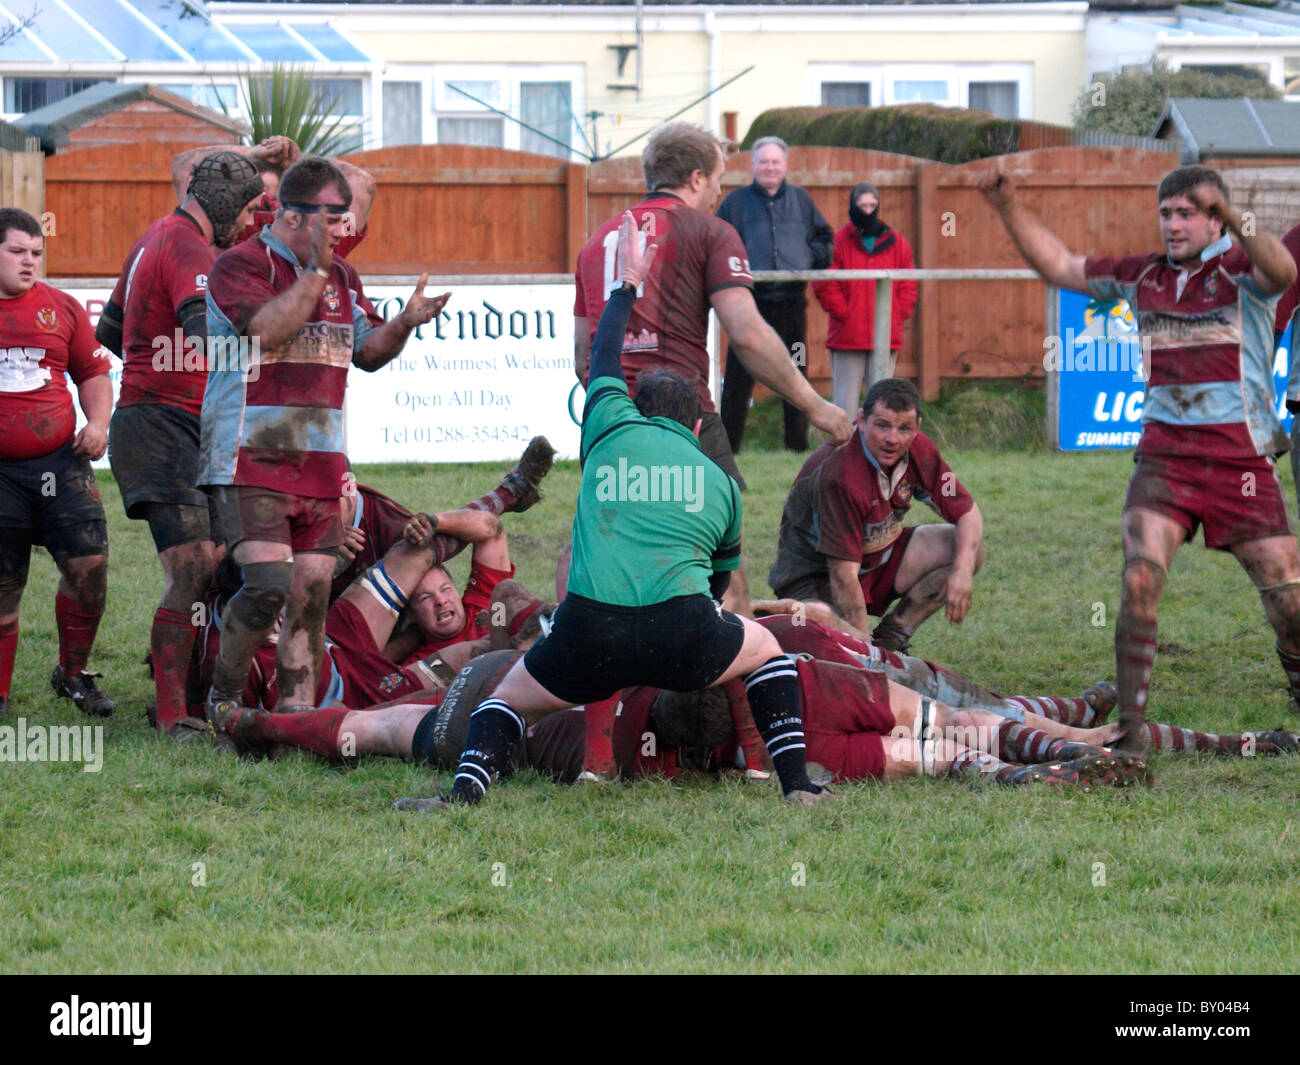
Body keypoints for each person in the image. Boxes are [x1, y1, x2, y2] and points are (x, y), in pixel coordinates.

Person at [436, 211, 834, 810]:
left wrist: (627, 283)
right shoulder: (720, 481)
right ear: (696, 428)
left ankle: (464, 796)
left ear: (631, 406)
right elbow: (718, 583)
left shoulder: (607, 426)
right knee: (769, 656)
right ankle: (797, 786)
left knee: (506, 701)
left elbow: (601, 353)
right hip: (684, 638)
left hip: (589, 635)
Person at [983, 163, 1300, 755]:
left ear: (1216, 220)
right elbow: (1059, 266)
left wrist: (1235, 215)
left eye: (1187, 214)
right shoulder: (1142, 275)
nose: (1173, 225)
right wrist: (1008, 207)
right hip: (1164, 459)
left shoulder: (1243, 271)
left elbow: (1284, 269)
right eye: (1166, 214)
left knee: (1289, 601)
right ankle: (1129, 735)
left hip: (1241, 461)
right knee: (1139, 578)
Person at [199, 155, 450, 721]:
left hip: (320, 463)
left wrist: (404, 323)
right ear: (294, 216)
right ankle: (223, 698)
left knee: (310, 595)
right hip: (249, 457)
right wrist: (314, 271)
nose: (345, 230)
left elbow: (368, 353)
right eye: (335, 219)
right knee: (267, 584)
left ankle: (297, 718)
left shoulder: (343, 277)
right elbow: (265, 332)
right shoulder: (240, 265)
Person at [573, 121, 852, 613]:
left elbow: (583, 358)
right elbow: (747, 334)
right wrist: (816, 406)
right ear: (697, 177)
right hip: (685, 417)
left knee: (623, 569)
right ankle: (732, 660)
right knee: (727, 582)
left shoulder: (597, 241)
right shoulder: (710, 231)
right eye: (720, 178)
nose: (722, 191)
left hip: (610, 422)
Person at [95, 152, 264, 737]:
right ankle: (173, 718)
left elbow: (110, 331)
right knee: (192, 566)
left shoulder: (154, 236)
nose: (250, 223)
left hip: (167, 419)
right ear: (224, 202)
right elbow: (209, 338)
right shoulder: (189, 247)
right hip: (160, 427)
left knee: (213, 564)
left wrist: (155, 365)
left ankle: (183, 695)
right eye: (248, 210)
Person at [768, 376, 985, 652]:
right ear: (861, 420)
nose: (892, 439)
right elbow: (843, 577)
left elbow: (967, 513)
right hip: (816, 577)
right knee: (821, 631)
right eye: (882, 425)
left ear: (917, 427)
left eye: (904, 428)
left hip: (875, 561)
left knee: (967, 548)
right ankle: (770, 622)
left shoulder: (920, 450)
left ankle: (892, 637)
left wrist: (962, 571)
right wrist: (865, 650)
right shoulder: (840, 476)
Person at [0, 208, 116, 718]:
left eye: (36, 253)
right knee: (3, 588)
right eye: (17, 252)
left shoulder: (61, 307)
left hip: (58, 464)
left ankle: (73, 674)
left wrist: (98, 424)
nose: (29, 261)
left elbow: (93, 373)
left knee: (89, 567)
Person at [715, 135, 834, 453]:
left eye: (775, 162)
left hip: (792, 305)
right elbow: (717, 242)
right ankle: (728, 449)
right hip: (749, 306)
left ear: (784, 165)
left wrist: (806, 259)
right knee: (738, 379)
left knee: (797, 371)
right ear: (753, 165)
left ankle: (797, 447)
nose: (770, 167)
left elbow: (824, 239)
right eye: (764, 162)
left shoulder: (801, 201)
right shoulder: (735, 203)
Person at [813, 181, 918, 415]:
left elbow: (908, 283)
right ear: (853, 206)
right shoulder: (838, 242)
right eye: (863, 206)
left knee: (882, 406)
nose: (868, 211)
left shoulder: (897, 242)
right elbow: (825, 282)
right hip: (848, 336)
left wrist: (897, 313)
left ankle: (876, 441)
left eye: (872, 205)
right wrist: (845, 313)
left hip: (886, 335)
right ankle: (844, 441)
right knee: (844, 406)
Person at [172, 138, 376, 258]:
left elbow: (363, 184)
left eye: (270, 198)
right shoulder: (218, 235)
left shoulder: (320, 247)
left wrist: (297, 160)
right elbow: (183, 165)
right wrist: (253, 154)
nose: (261, 203)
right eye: (251, 196)